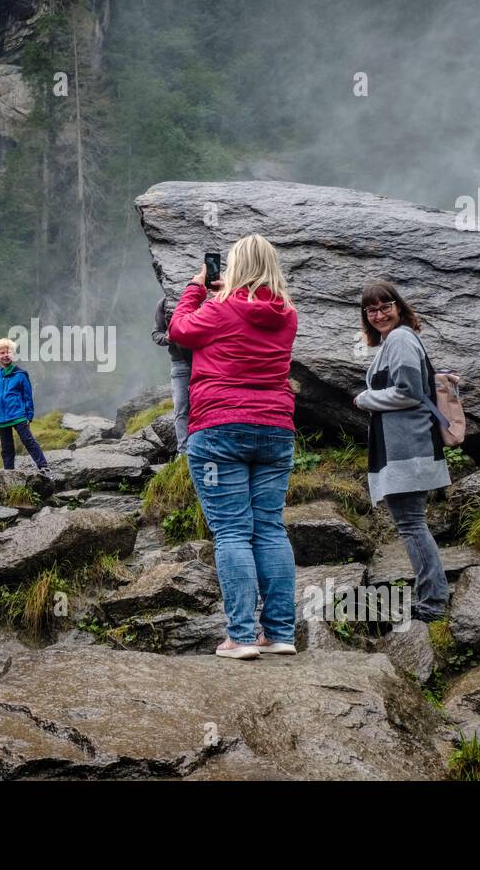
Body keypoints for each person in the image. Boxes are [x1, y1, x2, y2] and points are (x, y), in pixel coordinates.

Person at [168, 233, 299, 660]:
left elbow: (179, 330)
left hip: (220, 428)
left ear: (235, 266)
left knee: (232, 531)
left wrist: (194, 289)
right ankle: (279, 634)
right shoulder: (288, 314)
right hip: (275, 431)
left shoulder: (218, 308)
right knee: (270, 529)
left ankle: (240, 637)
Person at [354, 281, 451, 623]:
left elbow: (409, 392)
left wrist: (365, 399)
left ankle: (433, 602)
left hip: (408, 449)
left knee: (411, 524)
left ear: (398, 306)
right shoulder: (393, 340)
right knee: (411, 523)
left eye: (385, 306)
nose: (379, 314)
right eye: (371, 310)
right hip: (404, 448)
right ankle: (433, 596)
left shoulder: (400, 338)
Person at [0, 338, 49, 471]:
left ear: (13, 355)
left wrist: (29, 415)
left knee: (28, 441)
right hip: (2, 419)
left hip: (18, 415)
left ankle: (43, 466)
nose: (5, 355)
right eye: (2, 353)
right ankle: (9, 472)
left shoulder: (20, 375)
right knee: (6, 448)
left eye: (8, 352)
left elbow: (27, 396)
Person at [152, 295, 191, 456]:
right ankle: (183, 453)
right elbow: (156, 333)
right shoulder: (164, 302)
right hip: (180, 363)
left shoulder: (209, 296)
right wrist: (166, 338)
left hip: (206, 361)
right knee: (181, 408)